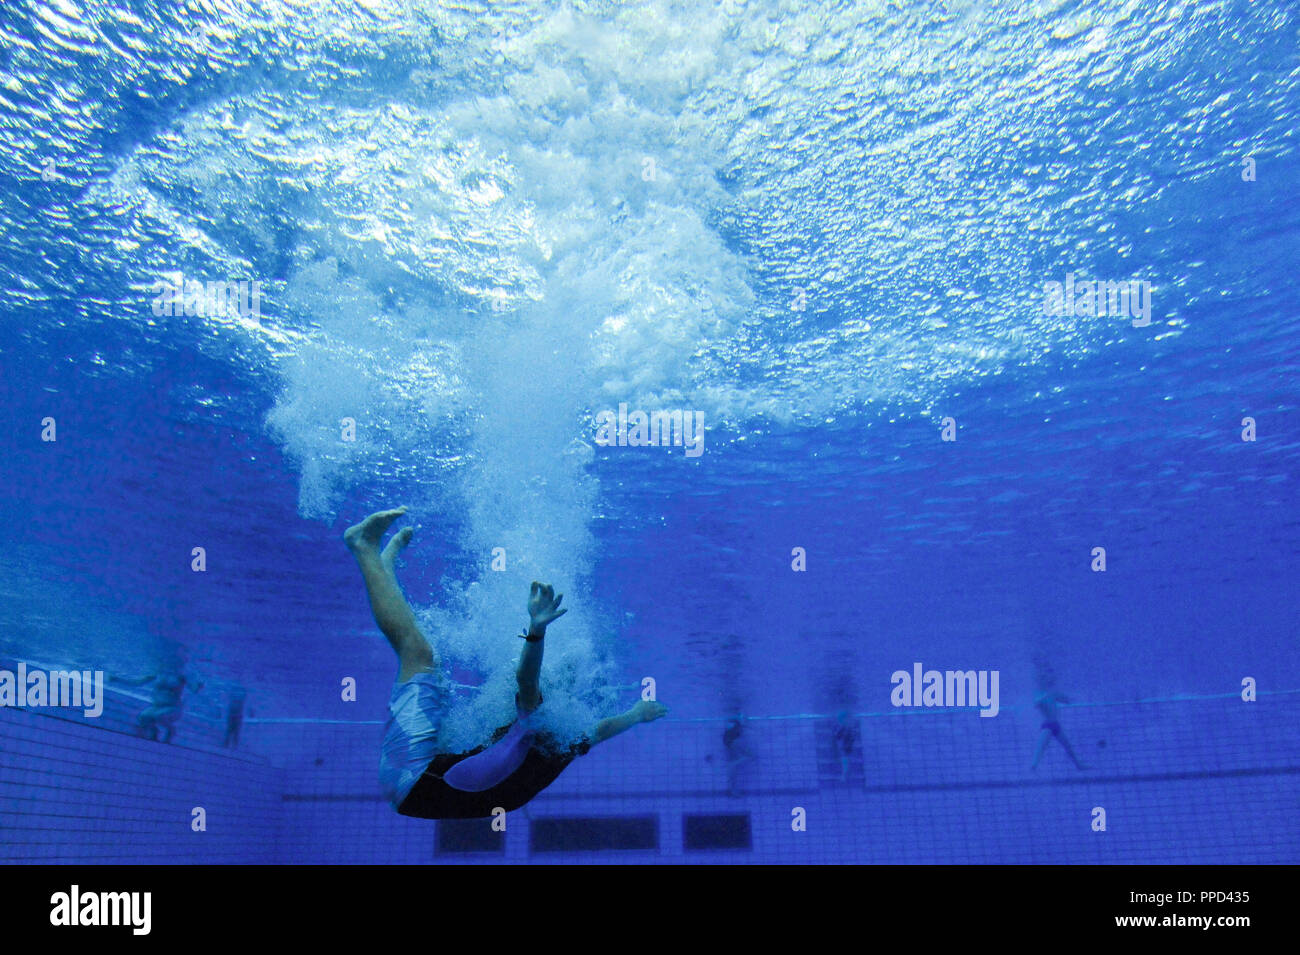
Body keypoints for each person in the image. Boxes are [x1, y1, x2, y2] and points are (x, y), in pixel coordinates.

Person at [345, 506, 667, 819]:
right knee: (431, 672)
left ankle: (363, 546)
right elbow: (601, 729)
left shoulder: (533, 728)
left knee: (419, 656)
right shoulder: (564, 741)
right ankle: (383, 572)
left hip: (411, 776)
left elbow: (527, 677)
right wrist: (637, 714)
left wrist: (537, 628)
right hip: (425, 786)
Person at [113, 647, 203, 743]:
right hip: (156, 706)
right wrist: (117, 679)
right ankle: (153, 733)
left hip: (172, 708)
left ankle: (170, 731)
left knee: (159, 716)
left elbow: (194, 689)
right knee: (143, 717)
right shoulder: (157, 674)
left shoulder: (181, 677)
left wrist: (198, 685)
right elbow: (137, 683)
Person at [722, 713, 752, 796]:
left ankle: (733, 791)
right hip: (732, 743)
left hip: (731, 743)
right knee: (733, 770)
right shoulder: (734, 736)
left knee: (733, 771)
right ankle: (733, 791)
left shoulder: (733, 731)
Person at [831, 709, 856, 781]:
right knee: (845, 759)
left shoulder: (845, 727)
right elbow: (838, 736)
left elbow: (839, 736)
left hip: (845, 745)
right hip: (845, 745)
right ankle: (845, 774)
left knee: (845, 759)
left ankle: (845, 775)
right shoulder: (845, 727)